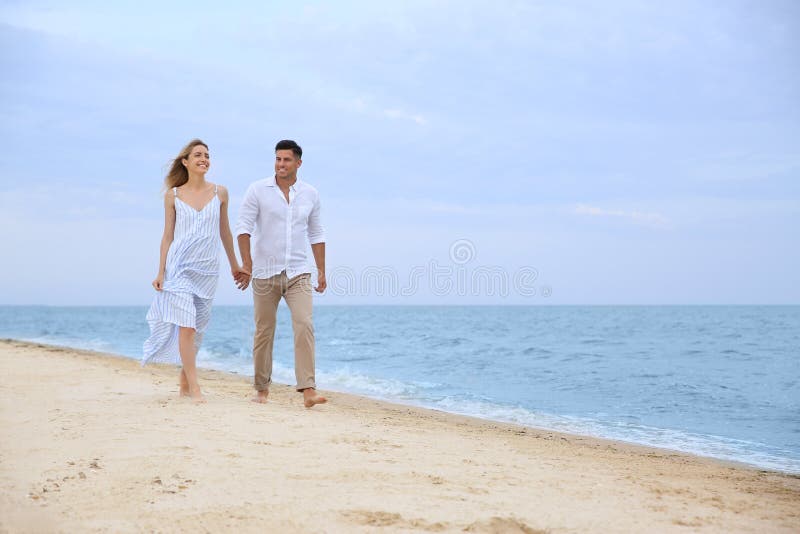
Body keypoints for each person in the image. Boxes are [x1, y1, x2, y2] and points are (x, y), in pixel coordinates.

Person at [143, 139, 249, 402]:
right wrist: (160, 272)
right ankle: (195, 387)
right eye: (198, 155)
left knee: (198, 329)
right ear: (185, 162)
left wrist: (235, 265)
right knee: (186, 327)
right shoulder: (174, 196)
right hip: (178, 268)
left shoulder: (220, 193)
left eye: (207, 155)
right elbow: (167, 236)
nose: (204, 158)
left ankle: (183, 381)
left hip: (207, 270)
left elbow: (225, 231)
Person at [236, 139, 327, 408]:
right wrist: (247, 264)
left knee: (304, 324)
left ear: (298, 163)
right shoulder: (258, 190)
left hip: (299, 271)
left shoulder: (310, 193)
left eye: (286, 160)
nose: (281, 164)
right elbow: (243, 227)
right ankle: (261, 390)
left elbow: (316, 232)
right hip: (265, 272)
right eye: (277, 159)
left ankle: (308, 389)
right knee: (264, 330)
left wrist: (321, 270)